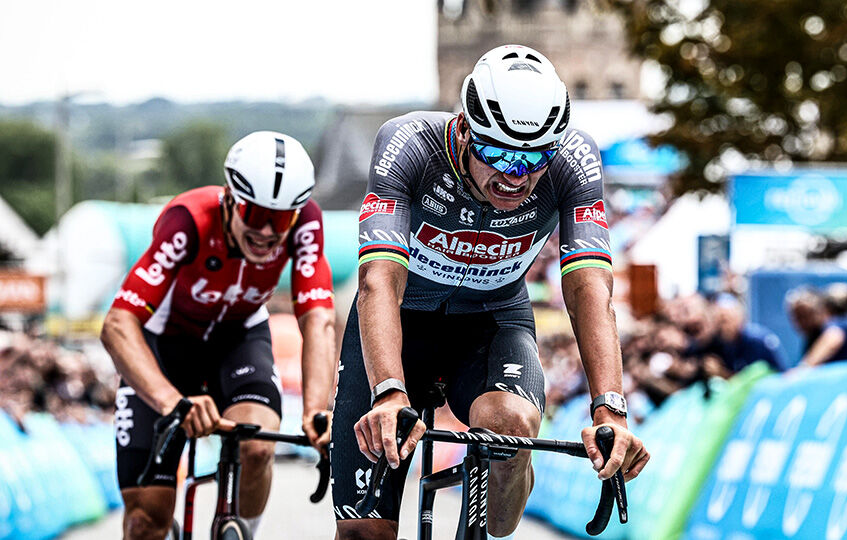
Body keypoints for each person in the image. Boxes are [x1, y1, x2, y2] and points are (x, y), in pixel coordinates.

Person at [332, 45, 649, 539]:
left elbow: (589, 286)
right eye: (498, 153)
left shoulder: (576, 160)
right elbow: (379, 281)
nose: (516, 175)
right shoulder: (410, 145)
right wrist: (389, 392)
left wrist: (609, 409)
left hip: (492, 320)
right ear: (465, 130)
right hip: (402, 321)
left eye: (536, 157)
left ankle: (504, 484)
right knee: (363, 533)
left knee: (509, 422)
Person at [100, 131, 338, 539]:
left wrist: (318, 409)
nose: (267, 232)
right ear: (230, 198)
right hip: (167, 345)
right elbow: (117, 325)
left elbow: (318, 318)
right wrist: (173, 403)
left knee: (258, 446)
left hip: (239, 339)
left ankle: (238, 533)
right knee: (145, 521)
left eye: (280, 219)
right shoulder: (188, 219)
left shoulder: (306, 224)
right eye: (256, 214)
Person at [788, 285, 847, 368]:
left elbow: (834, 337)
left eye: (806, 315)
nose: (801, 322)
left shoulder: (837, 325)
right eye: (796, 317)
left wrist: (803, 369)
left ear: (821, 311)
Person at [705, 294, 786, 376]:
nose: (723, 328)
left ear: (739, 317)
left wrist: (722, 373)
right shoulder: (722, 345)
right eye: (718, 323)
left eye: (725, 321)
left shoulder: (758, 340)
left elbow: (780, 373)